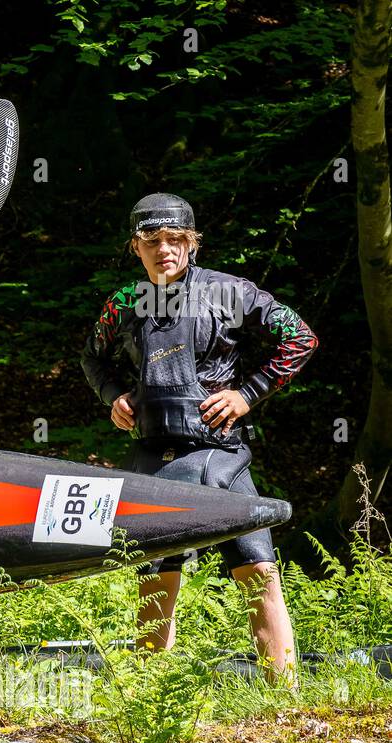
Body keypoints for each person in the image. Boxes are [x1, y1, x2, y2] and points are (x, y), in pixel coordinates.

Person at [80, 192, 318, 686]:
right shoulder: (125, 302)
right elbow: (91, 357)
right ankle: (149, 700)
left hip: (218, 453)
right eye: (152, 241)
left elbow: (300, 337)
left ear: (192, 243)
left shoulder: (229, 292)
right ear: (136, 247)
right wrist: (113, 396)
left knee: (257, 568)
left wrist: (247, 394)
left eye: (174, 240)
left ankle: (283, 693)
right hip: (152, 456)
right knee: (155, 579)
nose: (163, 249)